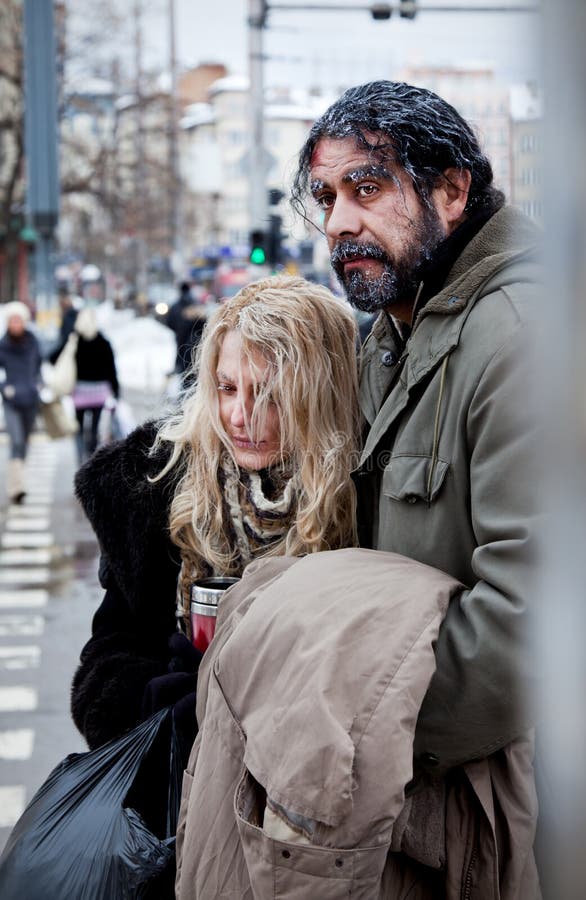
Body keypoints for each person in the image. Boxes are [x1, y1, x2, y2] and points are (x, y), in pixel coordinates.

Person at [286, 79, 542, 894]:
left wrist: (361, 734)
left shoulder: (522, 336)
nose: (339, 224)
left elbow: (533, 616)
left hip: (487, 798)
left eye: (368, 188)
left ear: (452, 190)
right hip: (405, 801)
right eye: (326, 197)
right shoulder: (392, 332)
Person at [70, 276, 359, 862]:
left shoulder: (367, 500)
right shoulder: (157, 489)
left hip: (312, 835)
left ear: (319, 393)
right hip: (178, 821)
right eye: (226, 387)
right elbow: (102, 664)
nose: (239, 414)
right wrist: (159, 700)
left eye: (270, 394)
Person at [0, 302, 42, 504]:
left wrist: (39, 384)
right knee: (15, 441)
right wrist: (4, 387)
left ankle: (19, 482)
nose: (15, 324)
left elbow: (39, 365)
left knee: (24, 443)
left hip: (31, 400)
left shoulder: (33, 342)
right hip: (11, 401)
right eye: (11, 320)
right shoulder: (2, 345)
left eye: (18, 320)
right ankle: (16, 488)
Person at [70, 307, 119, 463]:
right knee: (94, 427)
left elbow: (53, 357)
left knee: (78, 427)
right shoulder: (103, 342)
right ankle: (91, 457)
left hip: (79, 391)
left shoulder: (75, 341)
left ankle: (80, 458)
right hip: (99, 392)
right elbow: (112, 368)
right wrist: (116, 390)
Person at [165, 281, 207, 383]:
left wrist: (177, 330)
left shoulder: (176, 306)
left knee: (183, 370)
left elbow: (169, 322)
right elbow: (204, 324)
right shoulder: (196, 305)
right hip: (196, 344)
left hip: (182, 340)